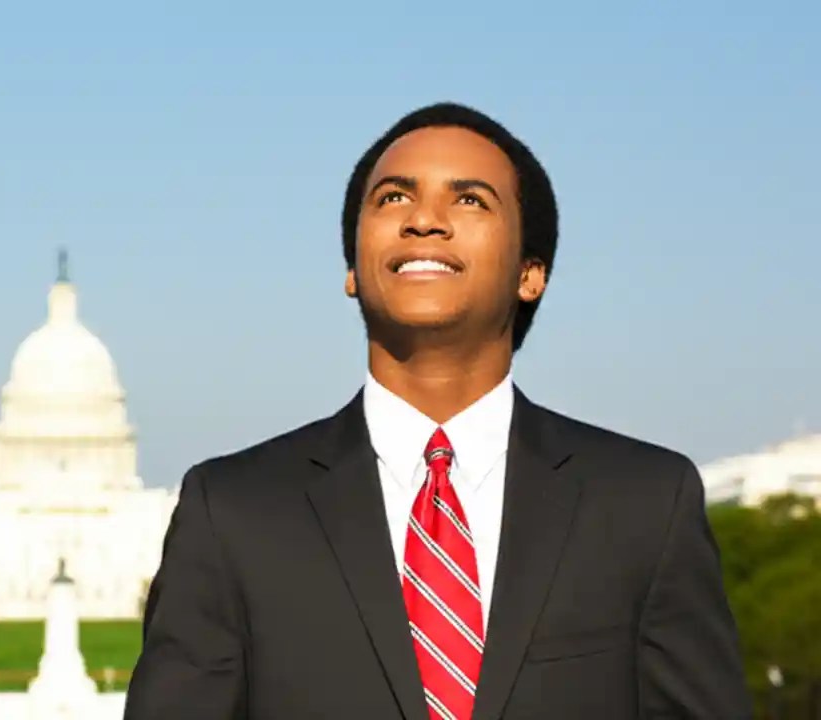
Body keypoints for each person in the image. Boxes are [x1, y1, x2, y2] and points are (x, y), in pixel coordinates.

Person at [123, 102, 751, 720]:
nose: (424, 219)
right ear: (351, 268)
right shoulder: (234, 510)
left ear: (532, 273)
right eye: (393, 198)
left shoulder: (643, 502)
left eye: (470, 199)